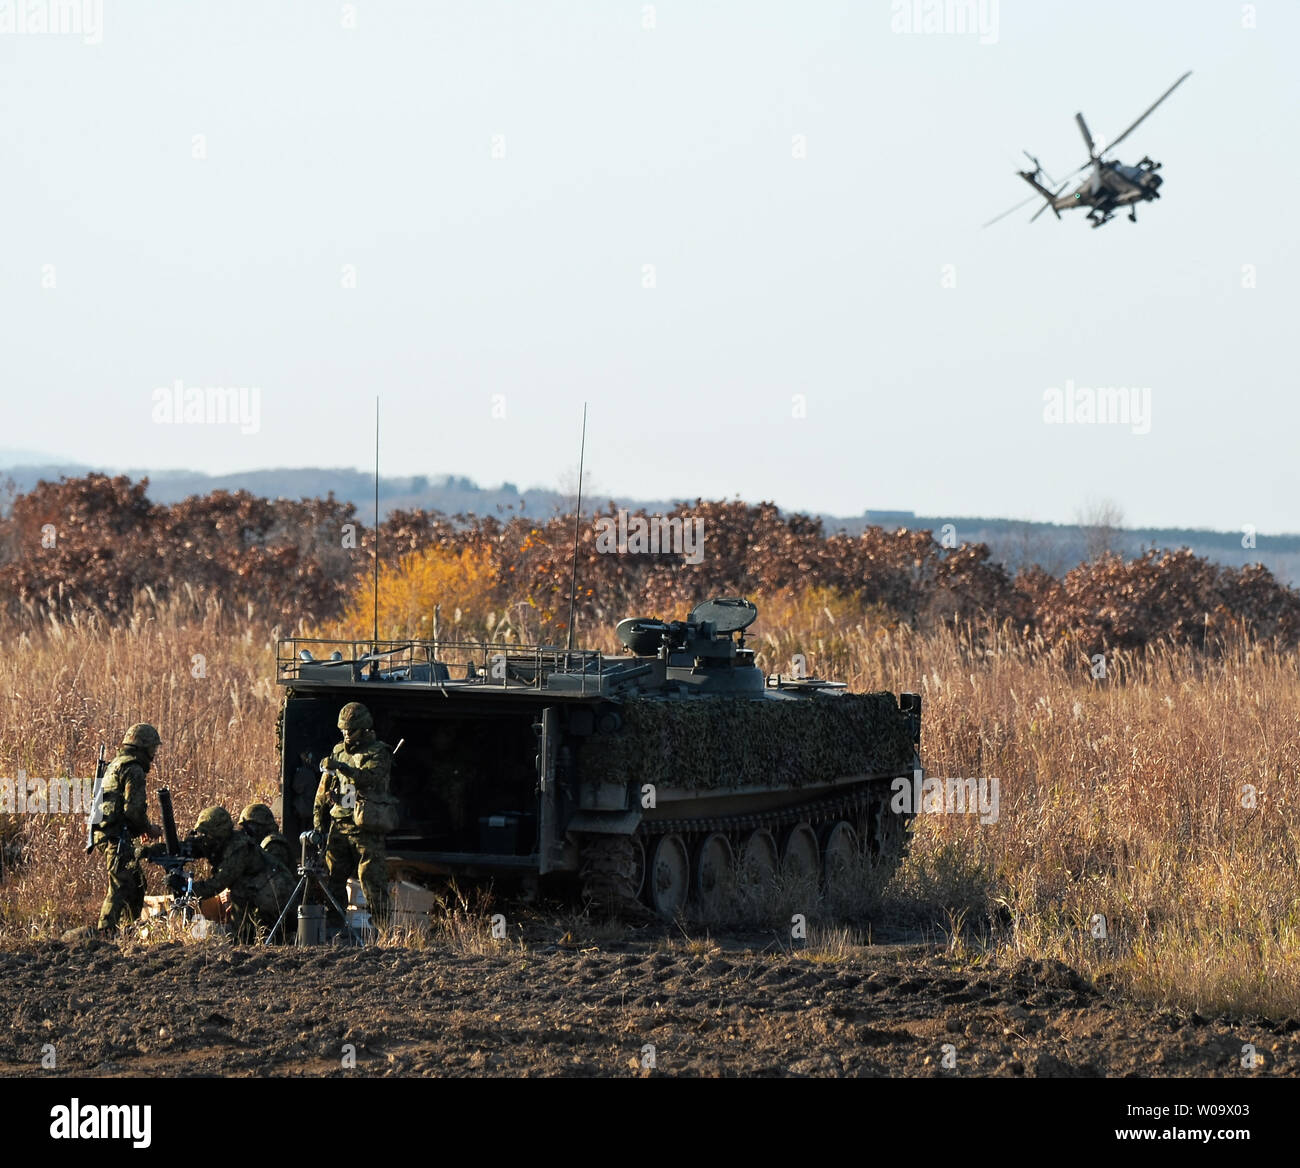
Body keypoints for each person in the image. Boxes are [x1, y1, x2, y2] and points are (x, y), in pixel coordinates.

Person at [312, 702, 392, 922]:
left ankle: (382, 931)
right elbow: (323, 788)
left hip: (365, 826)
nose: (347, 735)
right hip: (338, 824)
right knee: (334, 879)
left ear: (364, 728)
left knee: (372, 880)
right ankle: (335, 927)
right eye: (343, 731)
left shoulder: (379, 752)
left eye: (351, 730)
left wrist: (342, 768)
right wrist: (319, 823)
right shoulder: (338, 751)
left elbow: (370, 778)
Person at [93, 723, 163, 932]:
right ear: (143, 747)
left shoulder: (116, 764)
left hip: (110, 833)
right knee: (121, 885)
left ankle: (126, 931)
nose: (154, 754)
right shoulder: (134, 769)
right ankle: (105, 935)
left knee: (136, 883)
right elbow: (134, 810)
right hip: (116, 836)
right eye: (153, 748)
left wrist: (138, 829)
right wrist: (148, 829)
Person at [188, 806, 286, 941]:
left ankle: (243, 935)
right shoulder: (245, 844)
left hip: (274, 909)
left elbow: (219, 883)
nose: (245, 831)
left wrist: (187, 888)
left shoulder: (271, 844)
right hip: (265, 905)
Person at [237, 802, 295, 871]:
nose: (246, 831)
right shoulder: (261, 842)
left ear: (260, 824)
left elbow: (271, 873)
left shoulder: (273, 844)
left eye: (248, 826)